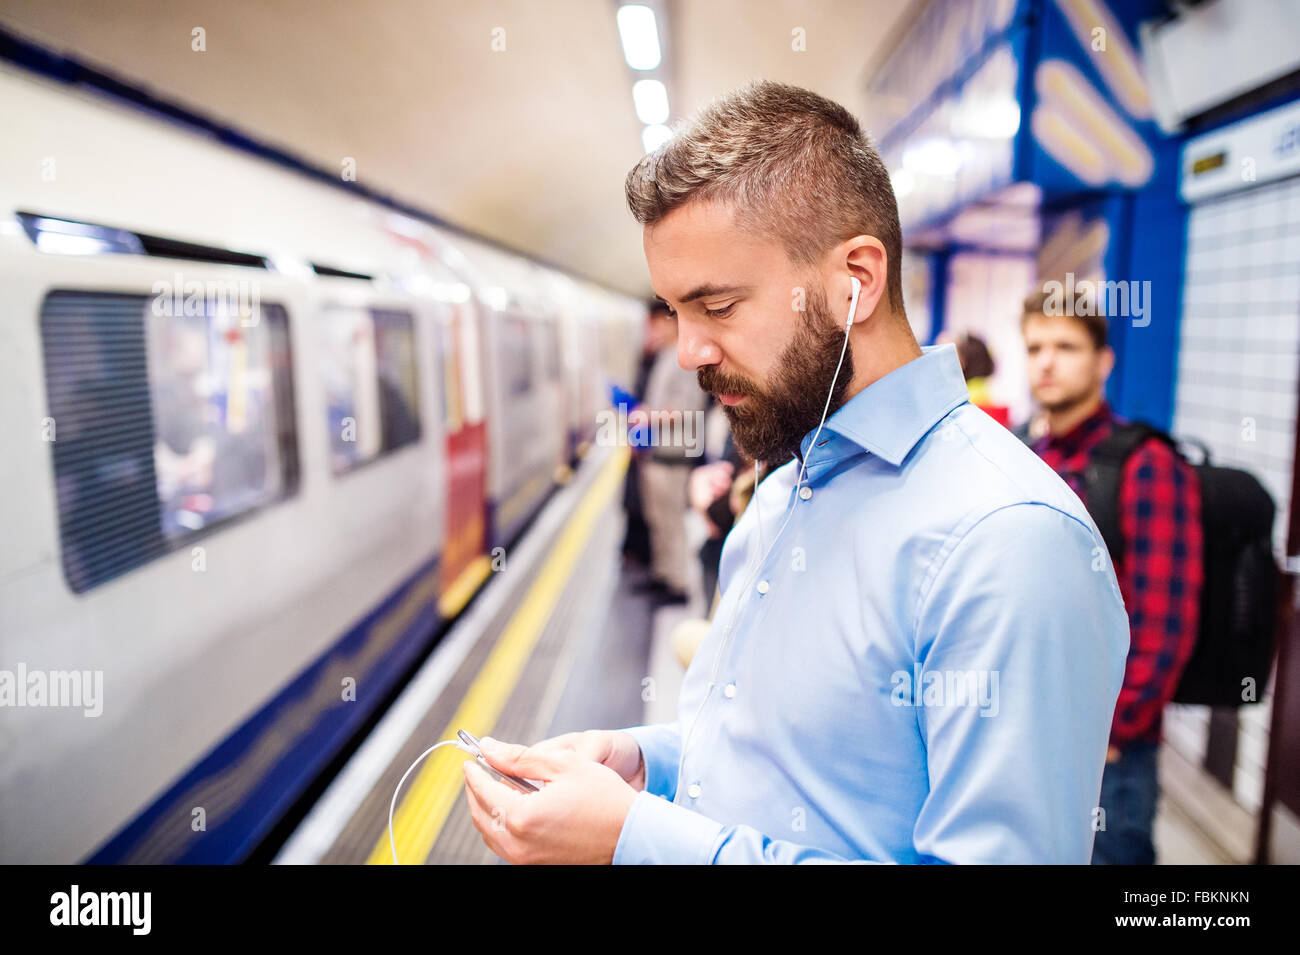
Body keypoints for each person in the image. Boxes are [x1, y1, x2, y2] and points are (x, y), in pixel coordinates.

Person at [461, 80, 1128, 864]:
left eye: (718, 305)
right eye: (677, 312)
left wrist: (637, 839)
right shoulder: (785, 489)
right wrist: (647, 764)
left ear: (857, 281)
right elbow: (792, 759)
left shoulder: (1008, 540)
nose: (689, 352)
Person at [1021, 288, 1203, 865]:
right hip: (1023, 735)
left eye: (1066, 346)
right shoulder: (1026, 456)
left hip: (1107, 759)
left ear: (1103, 362)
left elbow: (1166, 621)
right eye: (1034, 347)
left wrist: (1114, 732)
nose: (1046, 361)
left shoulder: (1146, 464)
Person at [630, 303, 710, 604]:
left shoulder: (683, 359)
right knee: (658, 519)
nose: (653, 331)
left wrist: (648, 416)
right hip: (655, 453)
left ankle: (677, 585)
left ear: (671, 323)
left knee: (671, 521)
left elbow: (687, 410)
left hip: (673, 456)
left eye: (657, 324)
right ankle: (663, 575)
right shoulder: (664, 356)